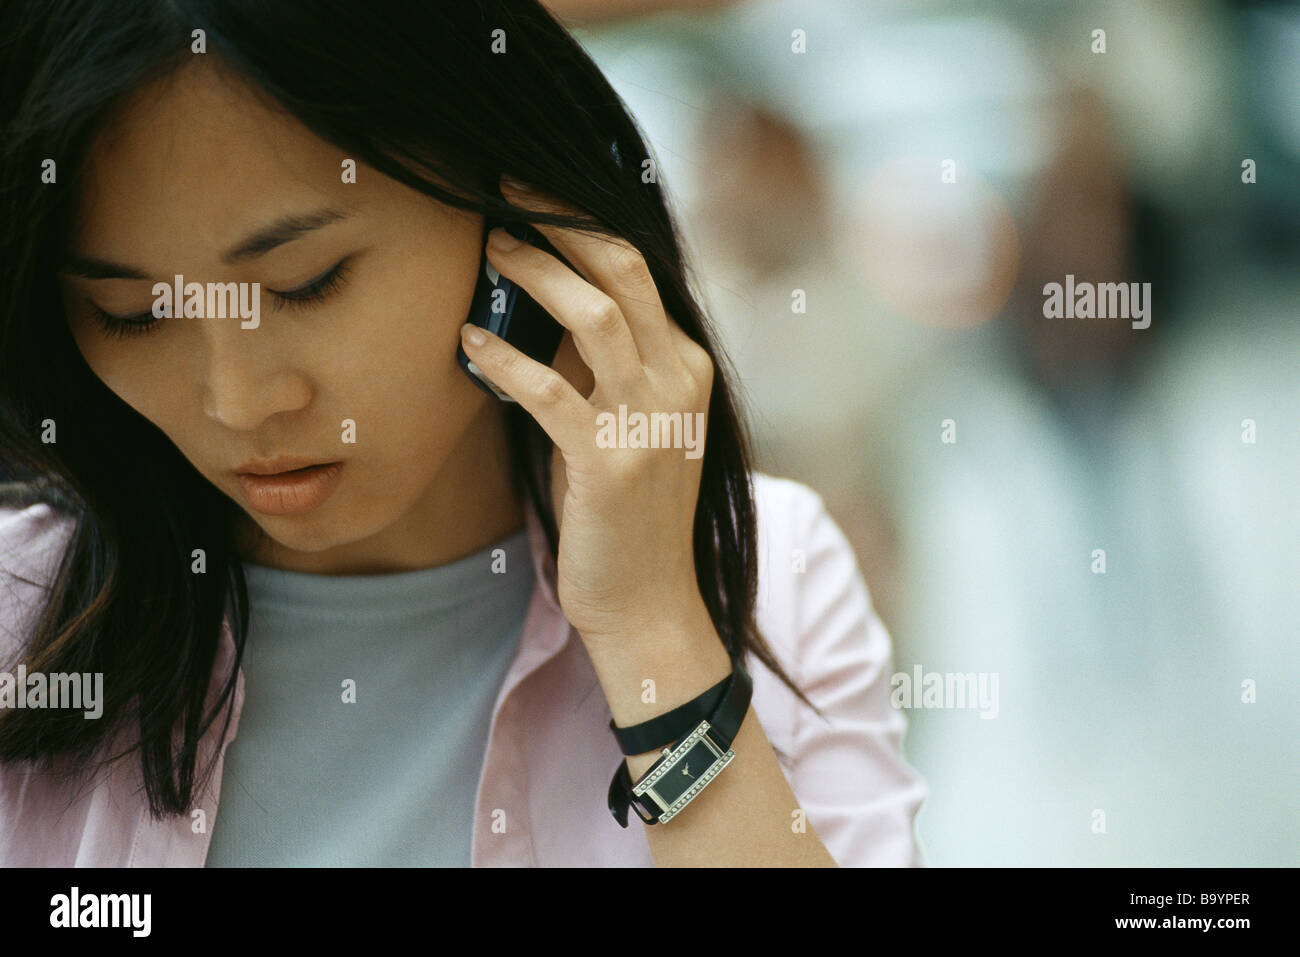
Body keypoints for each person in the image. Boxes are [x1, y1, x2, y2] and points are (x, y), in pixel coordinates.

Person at [0, 0, 924, 867]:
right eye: (130, 314)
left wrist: (656, 639)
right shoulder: (18, 619)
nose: (241, 402)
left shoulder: (771, 577)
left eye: (308, 282)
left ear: (519, 224)